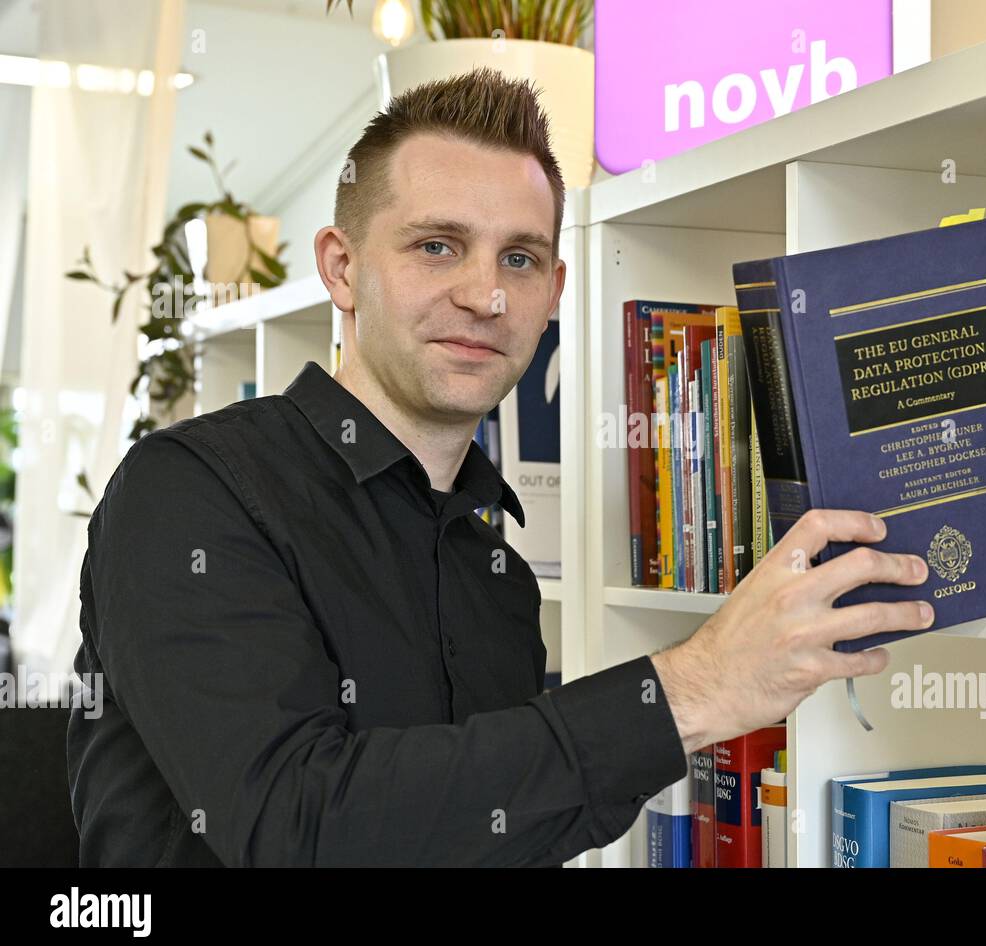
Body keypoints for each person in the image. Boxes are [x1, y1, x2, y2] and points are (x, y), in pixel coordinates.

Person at [66, 67, 933, 867]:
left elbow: (490, 827)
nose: (485, 295)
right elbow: (292, 822)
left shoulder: (497, 577)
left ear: (553, 294)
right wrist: (696, 684)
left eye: (517, 259)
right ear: (342, 267)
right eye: (437, 246)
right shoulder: (187, 493)